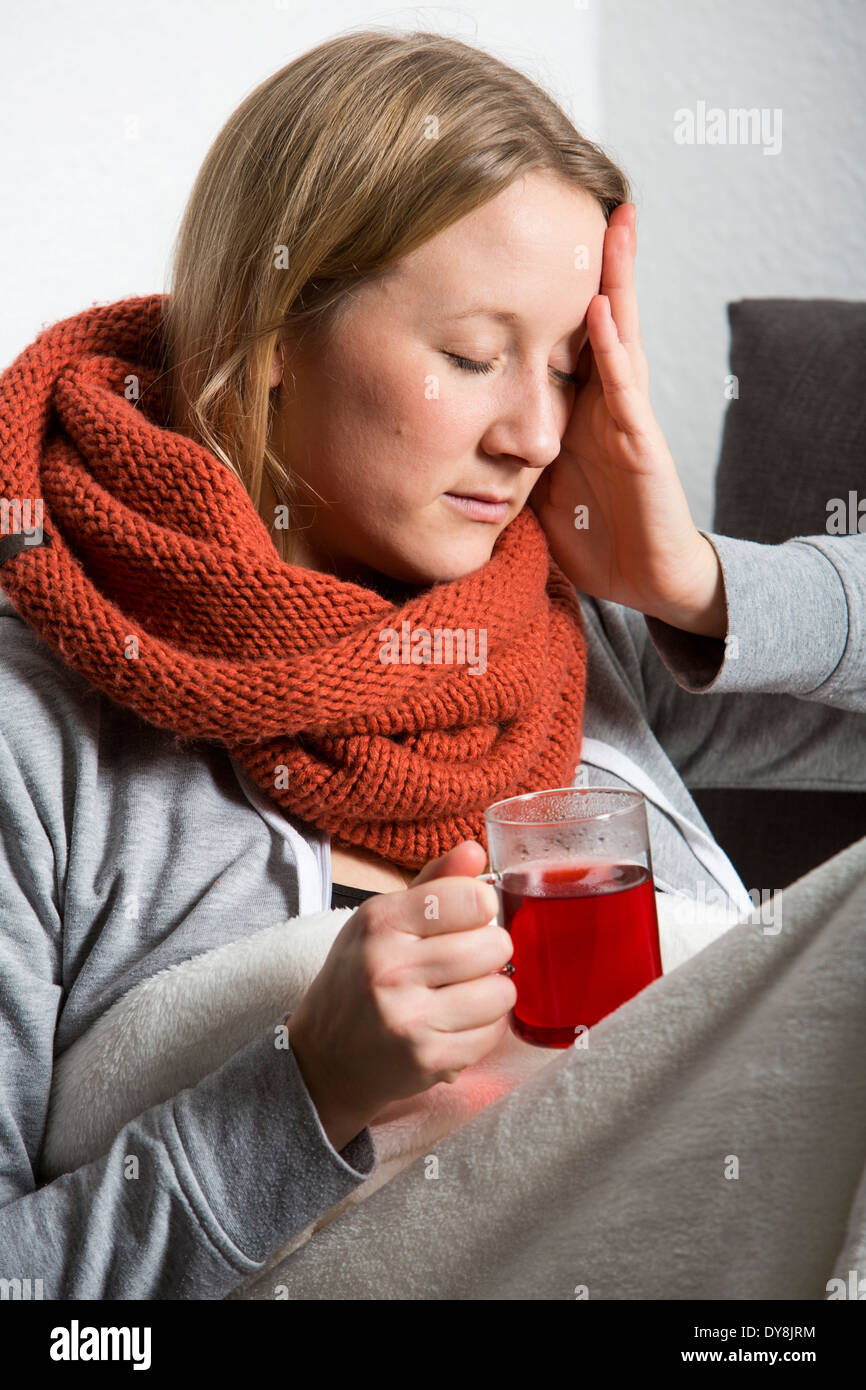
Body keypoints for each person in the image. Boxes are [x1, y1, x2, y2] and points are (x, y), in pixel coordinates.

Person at [0, 29, 863, 1301]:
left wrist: (689, 579)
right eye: (469, 356)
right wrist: (299, 1098)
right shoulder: (38, 721)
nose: (528, 436)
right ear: (274, 327)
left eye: (567, 370)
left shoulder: (576, 629)